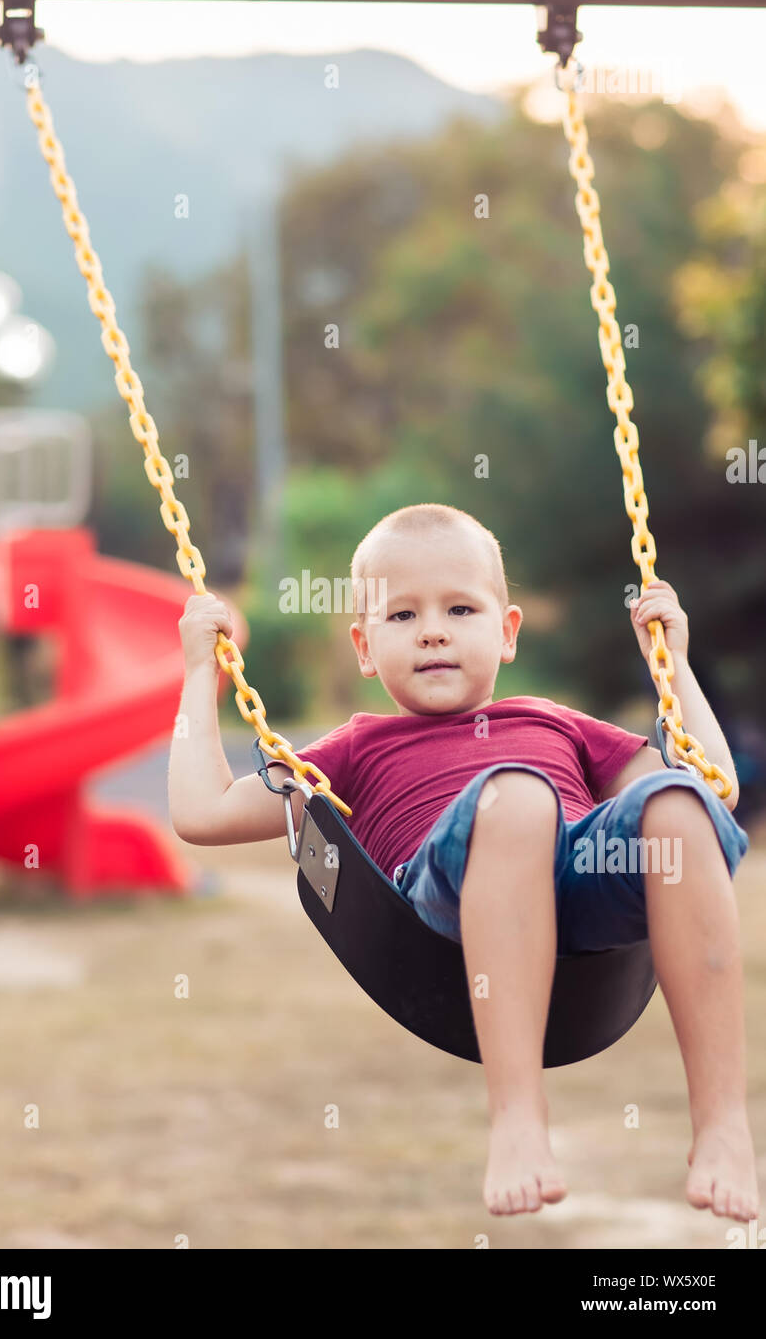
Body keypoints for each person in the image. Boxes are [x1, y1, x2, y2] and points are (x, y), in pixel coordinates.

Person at [169, 502, 758, 1222]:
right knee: (514, 799)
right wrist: (202, 673)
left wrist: (677, 669)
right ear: (362, 646)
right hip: (447, 894)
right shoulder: (353, 752)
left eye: (460, 608)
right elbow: (202, 812)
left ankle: (724, 1125)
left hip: (579, 878)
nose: (435, 630)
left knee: (676, 805)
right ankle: (517, 1120)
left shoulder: (554, 722)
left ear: (506, 632)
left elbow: (713, 789)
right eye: (402, 617)